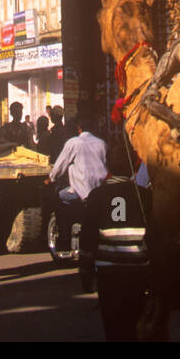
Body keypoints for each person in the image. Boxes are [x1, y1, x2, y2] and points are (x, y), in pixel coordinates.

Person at [81, 142, 150, 340]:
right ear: (132, 167)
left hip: (107, 273)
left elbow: (87, 237)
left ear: (107, 166)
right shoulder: (144, 195)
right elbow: (154, 236)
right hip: (137, 271)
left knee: (113, 325)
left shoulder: (97, 196)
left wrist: (86, 272)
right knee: (136, 320)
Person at [48, 111, 107, 256]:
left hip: (80, 192)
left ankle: (64, 238)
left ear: (78, 128)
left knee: (58, 198)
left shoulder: (74, 143)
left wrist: (51, 178)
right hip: (100, 192)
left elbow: (60, 166)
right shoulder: (102, 143)